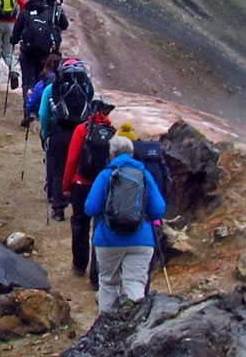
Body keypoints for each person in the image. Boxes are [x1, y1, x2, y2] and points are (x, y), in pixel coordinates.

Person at [85, 135, 167, 313]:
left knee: (108, 283)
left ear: (112, 154)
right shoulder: (144, 175)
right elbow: (159, 210)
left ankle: (103, 328)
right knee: (135, 283)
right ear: (132, 153)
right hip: (141, 240)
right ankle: (134, 329)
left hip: (108, 240)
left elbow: (90, 208)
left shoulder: (106, 175)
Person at [61, 98, 119, 282]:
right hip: (104, 185)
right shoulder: (113, 133)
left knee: (79, 223)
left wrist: (66, 185)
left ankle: (79, 265)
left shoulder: (82, 130)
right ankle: (96, 274)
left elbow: (72, 160)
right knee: (100, 227)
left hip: (82, 184)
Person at [29, 55, 92, 220]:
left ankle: (58, 208)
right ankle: (79, 205)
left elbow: (43, 113)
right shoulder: (86, 86)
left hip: (60, 131)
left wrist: (45, 133)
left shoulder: (53, 87)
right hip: (82, 131)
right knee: (80, 168)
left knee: (59, 170)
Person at [10, 0, 68, 94]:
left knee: (28, 81)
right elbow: (64, 24)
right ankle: (39, 105)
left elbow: (15, 35)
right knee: (41, 78)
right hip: (46, 51)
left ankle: (28, 105)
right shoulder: (52, 9)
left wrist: (13, 41)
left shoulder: (26, 13)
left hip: (28, 51)